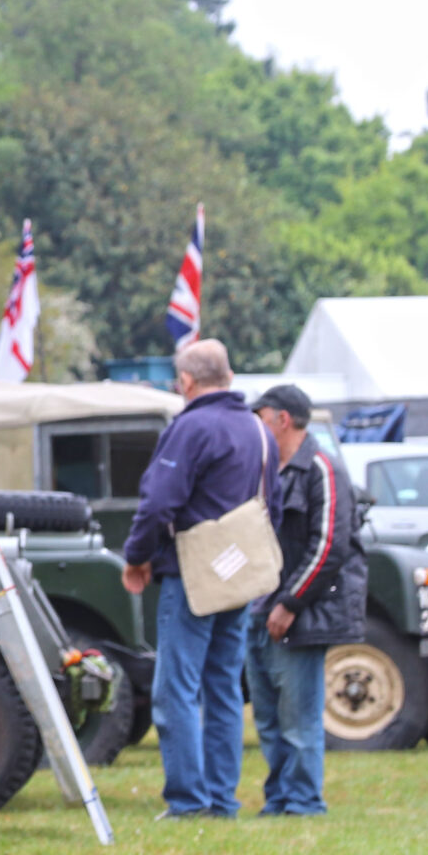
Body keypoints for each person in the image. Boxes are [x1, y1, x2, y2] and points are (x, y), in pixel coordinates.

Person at [121, 340, 282, 819]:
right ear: (228, 376)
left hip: (192, 574)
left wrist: (137, 556)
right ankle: (221, 799)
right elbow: (269, 505)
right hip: (239, 575)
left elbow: (158, 502)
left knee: (176, 689)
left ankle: (188, 801)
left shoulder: (190, 427)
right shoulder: (258, 430)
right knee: (224, 688)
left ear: (186, 381)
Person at [245, 383, 364, 815]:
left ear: (282, 419)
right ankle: (279, 799)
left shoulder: (321, 469)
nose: (256, 427)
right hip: (258, 608)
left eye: (261, 417)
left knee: (298, 716)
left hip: (300, 614)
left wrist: (289, 603)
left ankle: (303, 801)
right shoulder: (265, 470)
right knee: (268, 716)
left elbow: (330, 545)